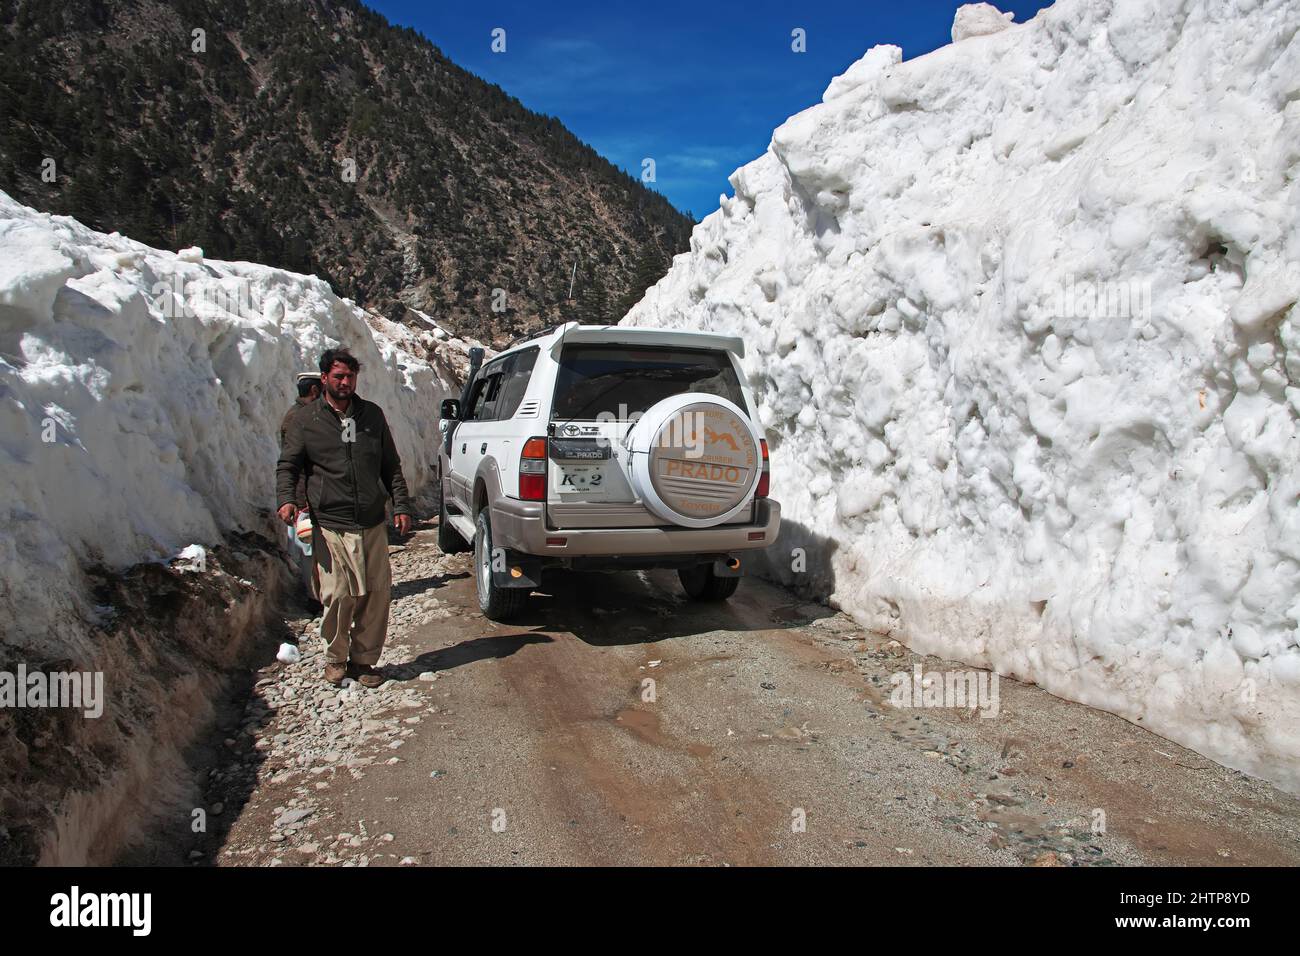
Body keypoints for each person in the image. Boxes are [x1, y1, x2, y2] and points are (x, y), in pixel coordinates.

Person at [276, 349, 413, 687]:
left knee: (376, 593)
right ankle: (336, 658)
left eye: (350, 377)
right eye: (338, 376)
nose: (345, 383)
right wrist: (287, 500)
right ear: (324, 378)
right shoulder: (306, 421)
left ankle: (364, 662)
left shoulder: (371, 416)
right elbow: (289, 465)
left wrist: (401, 506)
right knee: (339, 594)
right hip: (330, 522)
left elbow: (390, 466)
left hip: (370, 520)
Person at [281, 373, 322, 606]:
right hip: (304, 494)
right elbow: (293, 462)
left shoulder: (302, 416)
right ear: (315, 392)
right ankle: (314, 597)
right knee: (308, 549)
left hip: (308, 492)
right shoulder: (299, 419)